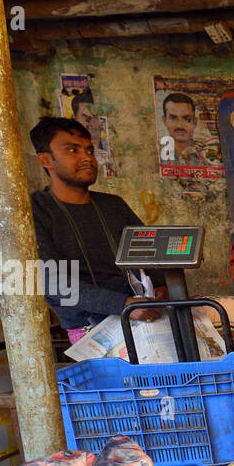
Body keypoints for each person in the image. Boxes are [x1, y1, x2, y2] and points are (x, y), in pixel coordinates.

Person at [28, 116, 166, 342]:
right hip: (90, 331)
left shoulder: (113, 205)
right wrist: (123, 305)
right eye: (72, 150)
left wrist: (160, 287)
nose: (87, 158)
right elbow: (52, 283)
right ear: (46, 160)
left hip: (144, 316)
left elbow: (148, 253)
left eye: (89, 150)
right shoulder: (34, 212)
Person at [160, 92, 203, 165]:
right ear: (165, 121)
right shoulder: (155, 153)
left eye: (186, 119)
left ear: (195, 122)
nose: (180, 125)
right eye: (173, 118)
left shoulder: (207, 154)